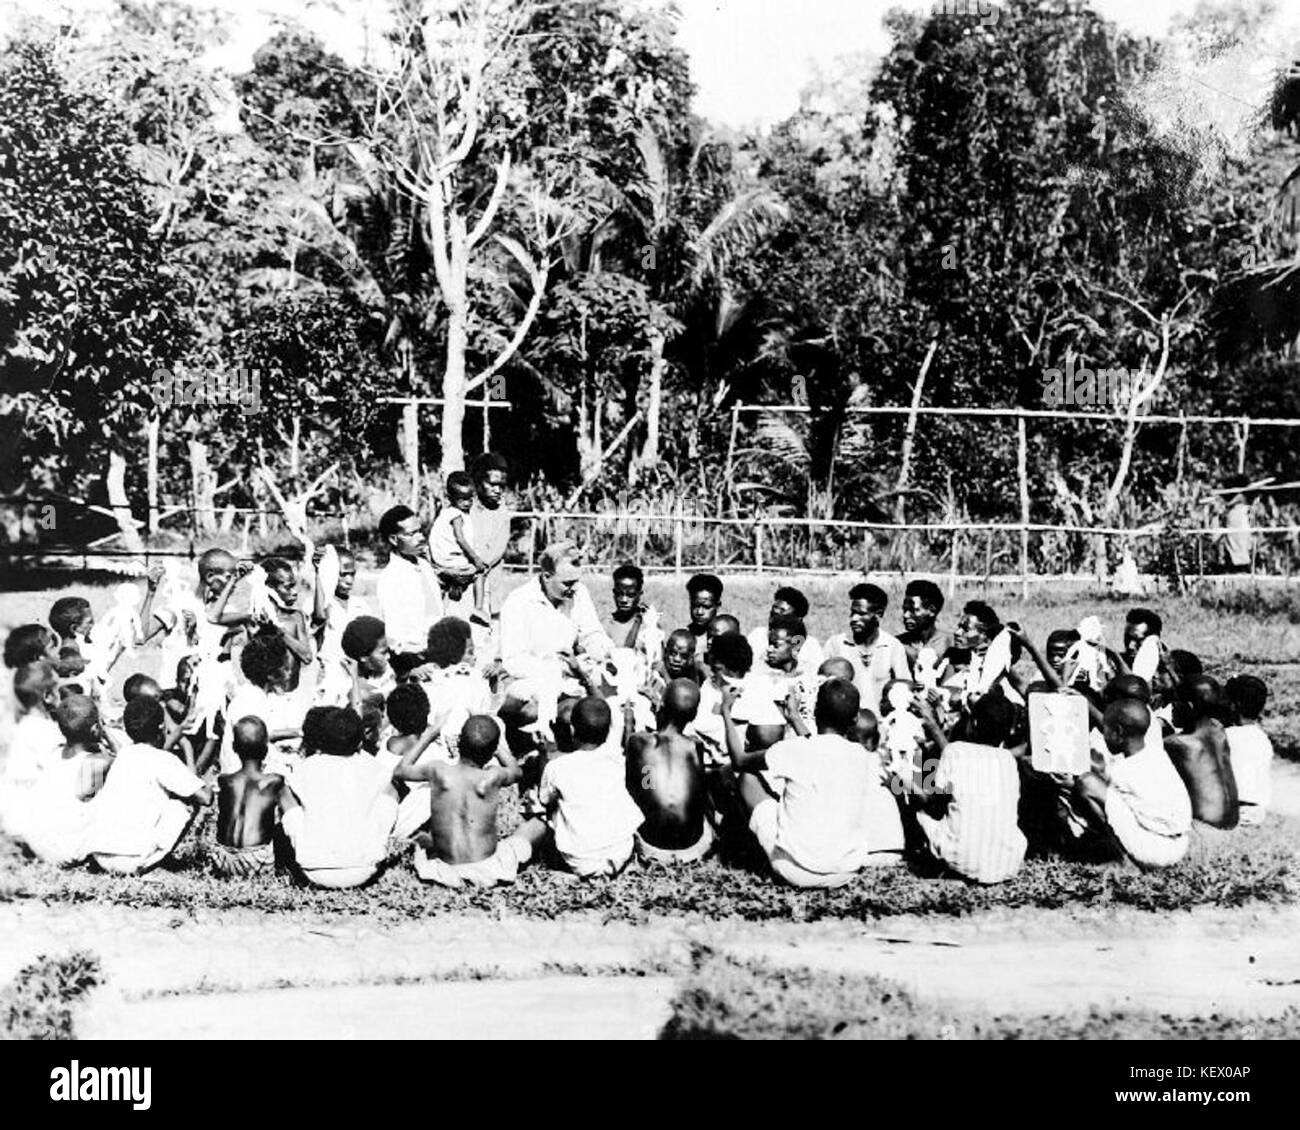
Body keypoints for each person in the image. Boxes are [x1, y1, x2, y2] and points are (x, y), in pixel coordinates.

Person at [723, 678, 899, 887]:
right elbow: (820, 749)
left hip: (793, 870)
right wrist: (796, 719)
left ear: (815, 711)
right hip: (845, 870)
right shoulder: (861, 755)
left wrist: (726, 710)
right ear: (855, 719)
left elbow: (739, 760)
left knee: (748, 777)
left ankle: (745, 851)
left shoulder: (792, 749)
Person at [401, 715, 539, 889]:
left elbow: (401, 770)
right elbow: (516, 771)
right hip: (488, 869)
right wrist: (496, 748)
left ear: (458, 742)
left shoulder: (438, 771)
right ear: (492, 751)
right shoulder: (493, 776)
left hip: (444, 870)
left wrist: (429, 735)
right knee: (536, 826)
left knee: (423, 836)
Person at [904, 693, 1027, 884]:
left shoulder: (955, 751)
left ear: (974, 723)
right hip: (1007, 864)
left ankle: (930, 861)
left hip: (960, 859)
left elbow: (933, 803)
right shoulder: (1008, 760)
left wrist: (904, 781)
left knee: (916, 806)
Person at [84, 697, 213, 875]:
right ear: (161, 727)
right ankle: (157, 860)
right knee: (186, 803)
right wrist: (199, 776)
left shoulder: (124, 755)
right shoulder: (165, 760)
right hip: (131, 861)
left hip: (100, 854)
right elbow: (206, 798)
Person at [520, 696, 644, 877]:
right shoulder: (619, 762)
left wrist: (542, 754)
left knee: (540, 816)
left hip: (579, 862)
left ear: (572, 729)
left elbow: (545, 800)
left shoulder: (557, 767)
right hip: (620, 855)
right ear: (609, 731)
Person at [498, 541, 611, 737]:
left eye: (577, 580)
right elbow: (512, 661)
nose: (575, 587)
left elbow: (591, 633)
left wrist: (605, 652)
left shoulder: (578, 593)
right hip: (528, 683)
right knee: (541, 711)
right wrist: (558, 667)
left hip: (570, 678)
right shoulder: (519, 602)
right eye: (567, 583)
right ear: (547, 576)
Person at [280, 707, 399, 889]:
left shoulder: (307, 767)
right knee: (390, 790)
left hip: (314, 868)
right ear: (359, 742)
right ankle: (374, 841)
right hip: (364, 868)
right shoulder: (372, 766)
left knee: (284, 792)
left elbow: (289, 790)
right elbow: (389, 787)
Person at [1072, 699, 1191, 869]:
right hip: (1180, 845)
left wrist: (1071, 784)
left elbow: (1103, 795)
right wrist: (1086, 703)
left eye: (1105, 730)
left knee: (1087, 783)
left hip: (1154, 852)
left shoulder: (1121, 771)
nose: (1103, 735)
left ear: (1118, 732)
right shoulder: (1155, 752)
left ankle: (1119, 856)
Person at [625, 678, 713, 865]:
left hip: (650, 845)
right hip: (692, 848)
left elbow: (641, 782)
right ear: (694, 715)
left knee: (644, 780)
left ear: (662, 705)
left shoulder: (638, 742)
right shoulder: (695, 746)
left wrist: (628, 722)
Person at [22, 694, 111, 867]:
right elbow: (129, 758)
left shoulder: (53, 754)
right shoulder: (96, 762)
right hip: (67, 851)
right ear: (95, 728)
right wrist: (105, 733)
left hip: (39, 845)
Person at [218, 630, 302, 776]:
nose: (290, 673)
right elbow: (254, 737)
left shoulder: (265, 697)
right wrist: (297, 732)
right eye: (286, 669)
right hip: (243, 778)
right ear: (271, 674)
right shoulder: (248, 699)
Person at [375, 505, 444, 676]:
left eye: (420, 531)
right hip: (413, 661)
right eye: (411, 534)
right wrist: (410, 668)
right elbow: (394, 636)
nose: (420, 537)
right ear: (393, 539)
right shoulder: (391, 578)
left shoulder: (424, 566)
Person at [213, 716, 285, 878]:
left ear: (234, 747)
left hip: (223, 859)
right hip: (256, 859)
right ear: (266, 749)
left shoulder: (225, 781)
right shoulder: (274, 781)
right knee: (283, 826)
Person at [0, 661, 64, 842]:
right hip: (31, 821)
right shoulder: (48, 732)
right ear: (47, 696)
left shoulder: (21, 726)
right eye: (57, 690)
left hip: (11, 815)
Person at [1164, 676, 1239, 830]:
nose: (1171, 709)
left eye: (1175, 704)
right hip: (1231, 822)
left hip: (1204, 827)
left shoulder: (1177, 744)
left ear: (1189, 707)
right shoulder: (1218, 731)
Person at [824, 583, 910, 715]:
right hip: (844, 723)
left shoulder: (892, 646)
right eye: (852, 613)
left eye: (861, 614)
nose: (854, 619)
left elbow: (904, 686)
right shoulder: (836, 644)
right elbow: (821, 687)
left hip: (882, 724)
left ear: (878, 615)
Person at [428, 470, 490, 625]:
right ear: (451, 498)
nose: (467, 503)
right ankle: (479, 608)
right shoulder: (456, 515)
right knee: (480, 572)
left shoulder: (444, 513)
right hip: (451, 561)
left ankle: (454, 588)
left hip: (443, 561)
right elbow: (460, 539)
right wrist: (476, 560)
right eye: (462, 500)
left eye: (470, 499)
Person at [257, 557, 314, 690]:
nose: (294, 592)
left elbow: (307, 656)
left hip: (291, 695)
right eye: (288, 587)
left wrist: (278, 631)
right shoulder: (254, 621)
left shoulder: (295, 617)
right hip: (264, 697)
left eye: (293, 586)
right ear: (269, 588)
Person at [469, 452, 512, 626]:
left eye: (501, 485)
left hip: (490, 582)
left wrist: (478, 565)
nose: (498, 490)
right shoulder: (465, 509)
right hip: (465, 583)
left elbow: (498, 549)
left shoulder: (501, 512)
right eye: (492, 484)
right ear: (478, 482)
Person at [1224, 674, 1272, 826]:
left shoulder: (1227, 735)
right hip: (1257, 811)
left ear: (1234, 705)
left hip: (1235, 810)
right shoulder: (1262, 737)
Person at [745, 586, 824, 675]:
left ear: (798, 618)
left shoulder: (811, 645)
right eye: (774, 608)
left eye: (782, 611)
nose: (775, 612)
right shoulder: (757, 635)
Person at [898, 579, 953, 674]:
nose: (906, 615)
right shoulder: (897, 645)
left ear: (931, 611)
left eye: (913, 610)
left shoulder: (950, 643)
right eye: (905, 609)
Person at [603, 564, 650, 650]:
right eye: (619, 594)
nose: (624, 600)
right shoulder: (605, 626)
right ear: (614, 593)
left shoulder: (648, 625)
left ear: (639, 594)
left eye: (630, 595)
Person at [684, 574, 724, 642]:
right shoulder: (682, 638)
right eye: (695, 606)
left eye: (706, 607)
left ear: (718, 606)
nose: (699, 612)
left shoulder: (726, 638)